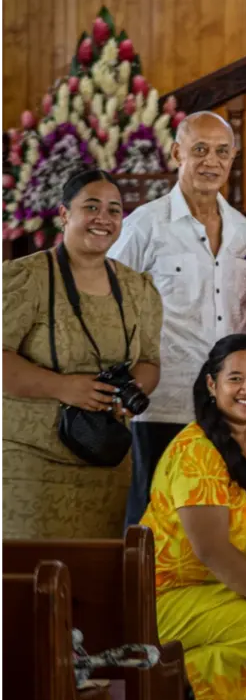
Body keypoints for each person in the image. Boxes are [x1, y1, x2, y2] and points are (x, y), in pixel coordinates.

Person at [139, 335, 246, 700]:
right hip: (165, 596)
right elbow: (213, 552)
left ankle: (188, 681)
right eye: (235, 378)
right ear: (212, 385)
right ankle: (186, 682)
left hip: (219, 590)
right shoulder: (196, 450)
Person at [110, 112, 246, 527]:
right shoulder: (146, 225)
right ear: (178, 152)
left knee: (224, 519)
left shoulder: (245, 233)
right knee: (151, 518)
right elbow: (108, 303)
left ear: (233, 157)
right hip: (164, 401)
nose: (210, 161)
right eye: (199, 150)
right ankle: (142, 595)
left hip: (227, 406)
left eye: (221, 152)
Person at [1, 169, 162, 538]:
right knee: (27, 581)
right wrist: (64, 387)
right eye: (91, 207)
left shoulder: (137, 288)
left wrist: (132, 390)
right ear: (63, 215)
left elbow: (150, 361)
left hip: (104, 458)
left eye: (114, 210)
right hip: (29, 459)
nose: (103, 218)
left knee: (90, 580)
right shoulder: (28, 277)